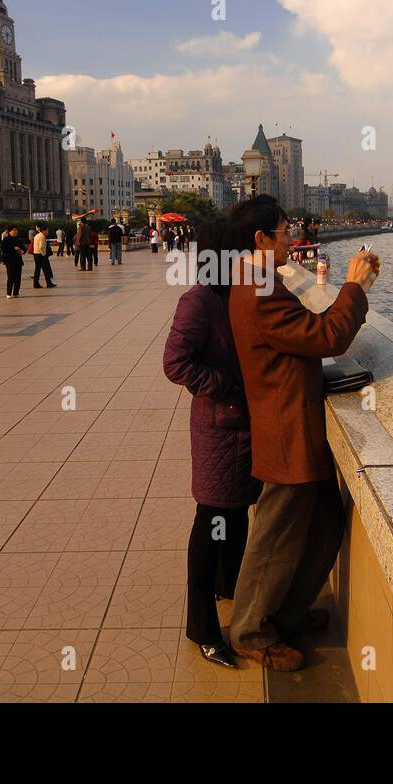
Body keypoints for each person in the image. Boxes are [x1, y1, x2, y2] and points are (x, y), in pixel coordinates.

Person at [225, 195, 378, 672]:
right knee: (275, 535)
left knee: (325, 523)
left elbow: (306, 335)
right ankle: (250, 631)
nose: (293, 239)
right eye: (285, 232)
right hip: (285, 427)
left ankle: (285, 614)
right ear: (261, 239)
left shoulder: (255, 280)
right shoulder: (259, 288)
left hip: (294, 420)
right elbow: (325, 337)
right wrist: (354, 287)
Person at [163, 220, 260, 669]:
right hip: (218, 429)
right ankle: (202, 628)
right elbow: (175, 363)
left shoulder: (236, 296)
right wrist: (223, 384)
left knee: (236, 514)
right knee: (212, 519)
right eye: (240, 250)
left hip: (244, 429)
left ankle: (230, 588)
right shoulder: (198, 300)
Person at [1, 225, 27, 298]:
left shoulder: (19, 239)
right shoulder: (6, 239)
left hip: (18, 260)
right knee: (10, 277)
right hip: (9, 261)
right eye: (14, 230)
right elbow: (3, 248)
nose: (15, 231)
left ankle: (16, 292)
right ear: (9, 231)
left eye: (16, 230)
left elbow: (24, 248)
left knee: (18, 277)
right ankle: (8, 293)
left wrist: (22, 251)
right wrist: (13, 248)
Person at [31, 223, 56, 288]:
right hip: (40, 255)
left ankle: (36, 284)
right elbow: (41, 247)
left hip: (36, 254)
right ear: (43, 231)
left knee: (37, 270)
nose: (48, 232)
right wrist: (44, 254)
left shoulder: (37, 235)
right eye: (47, 230)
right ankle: (49, 283)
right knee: (46, 269)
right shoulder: (42, 236)